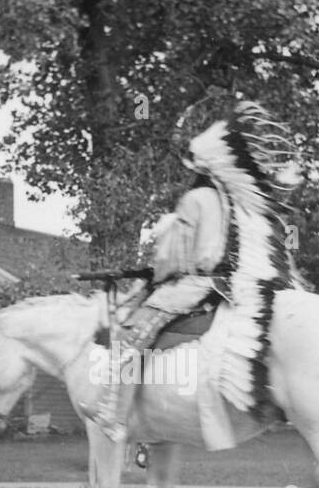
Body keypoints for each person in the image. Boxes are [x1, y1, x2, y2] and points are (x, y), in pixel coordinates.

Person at [91, 96, 301, 443]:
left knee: (130, 339)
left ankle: (113, 417)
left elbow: (174, 256)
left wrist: (154, 275)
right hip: (222, 285)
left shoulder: (193, 201)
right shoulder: (228, 202)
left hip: (189, 286)